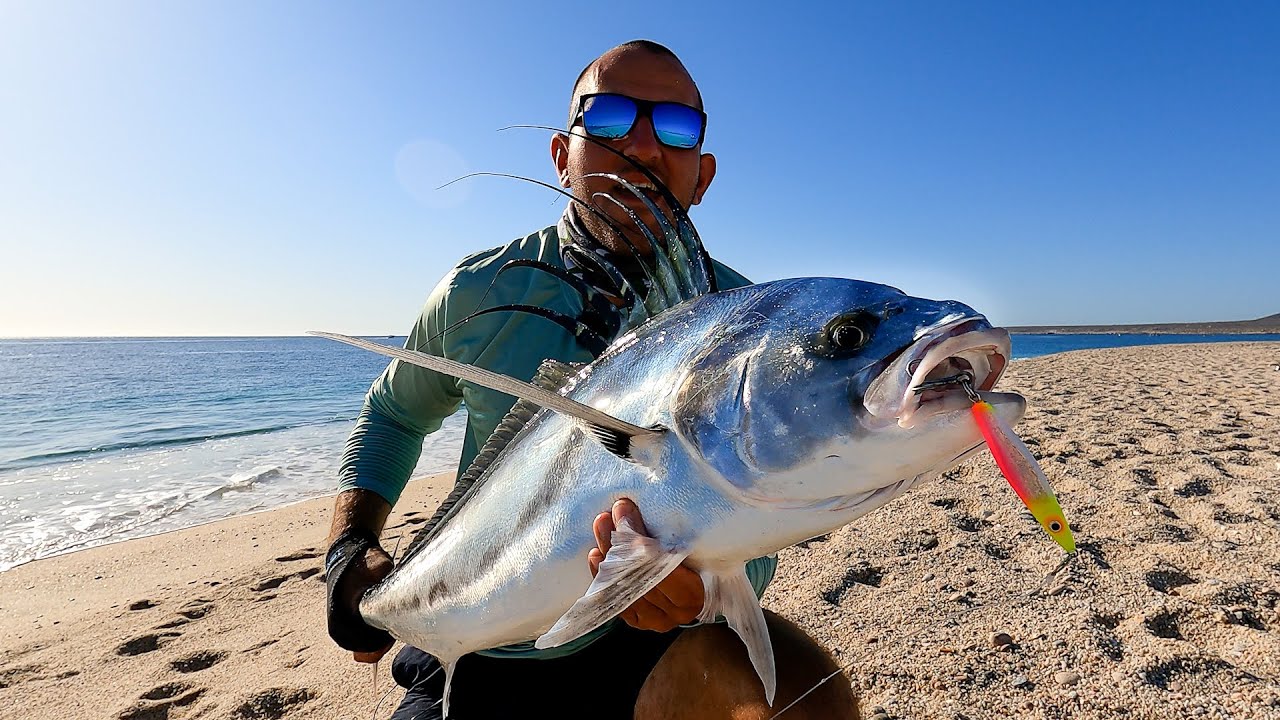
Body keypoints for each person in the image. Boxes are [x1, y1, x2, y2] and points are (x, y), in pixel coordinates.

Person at [325, 40, 859, 719]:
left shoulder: (751, 326)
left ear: (703, 174)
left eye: (675, 126)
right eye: (607, 118)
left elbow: (765, 505)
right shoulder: (478, 292)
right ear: (561, 153)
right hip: (477, 642)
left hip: (654, 643)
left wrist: (706, 591)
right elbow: (395, 415)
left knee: (813, 701)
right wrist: (350, 545)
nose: (641, 145)